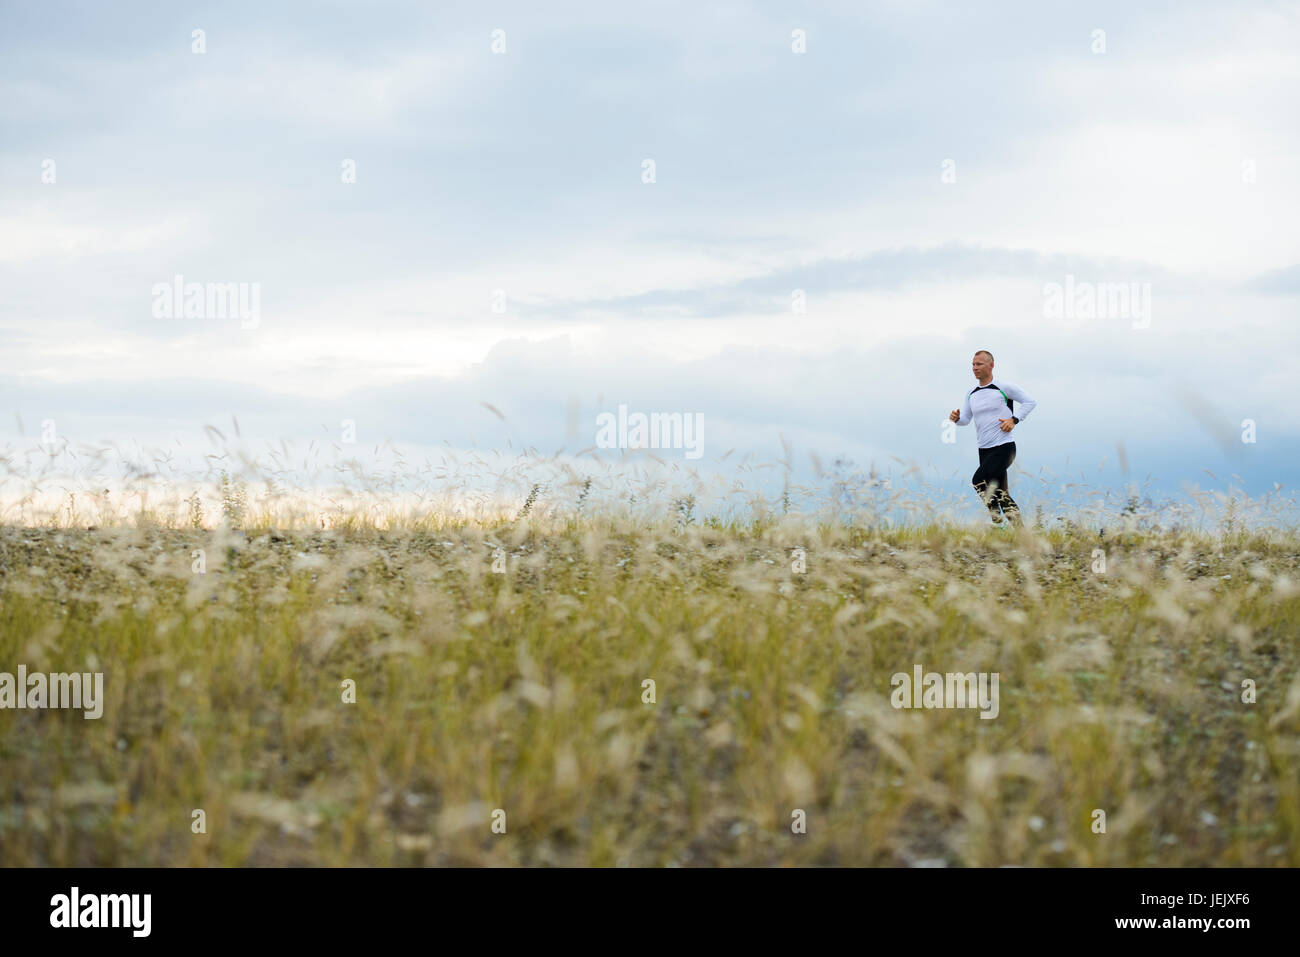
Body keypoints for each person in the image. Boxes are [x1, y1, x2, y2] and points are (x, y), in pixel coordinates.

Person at [948, 350, 1037, 526]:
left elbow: (1030, 402)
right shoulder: (971, 393)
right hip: (984, 450)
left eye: (979, 364)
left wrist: (1014, 419)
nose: (975, 368)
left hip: (1004, 446)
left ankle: (997, 524)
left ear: (991, 365)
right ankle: (1022, 535)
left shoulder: (1004, 387)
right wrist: (957, 419)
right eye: (973, 364)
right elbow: (966, 419)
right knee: (1001, 493)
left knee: (978, 481)